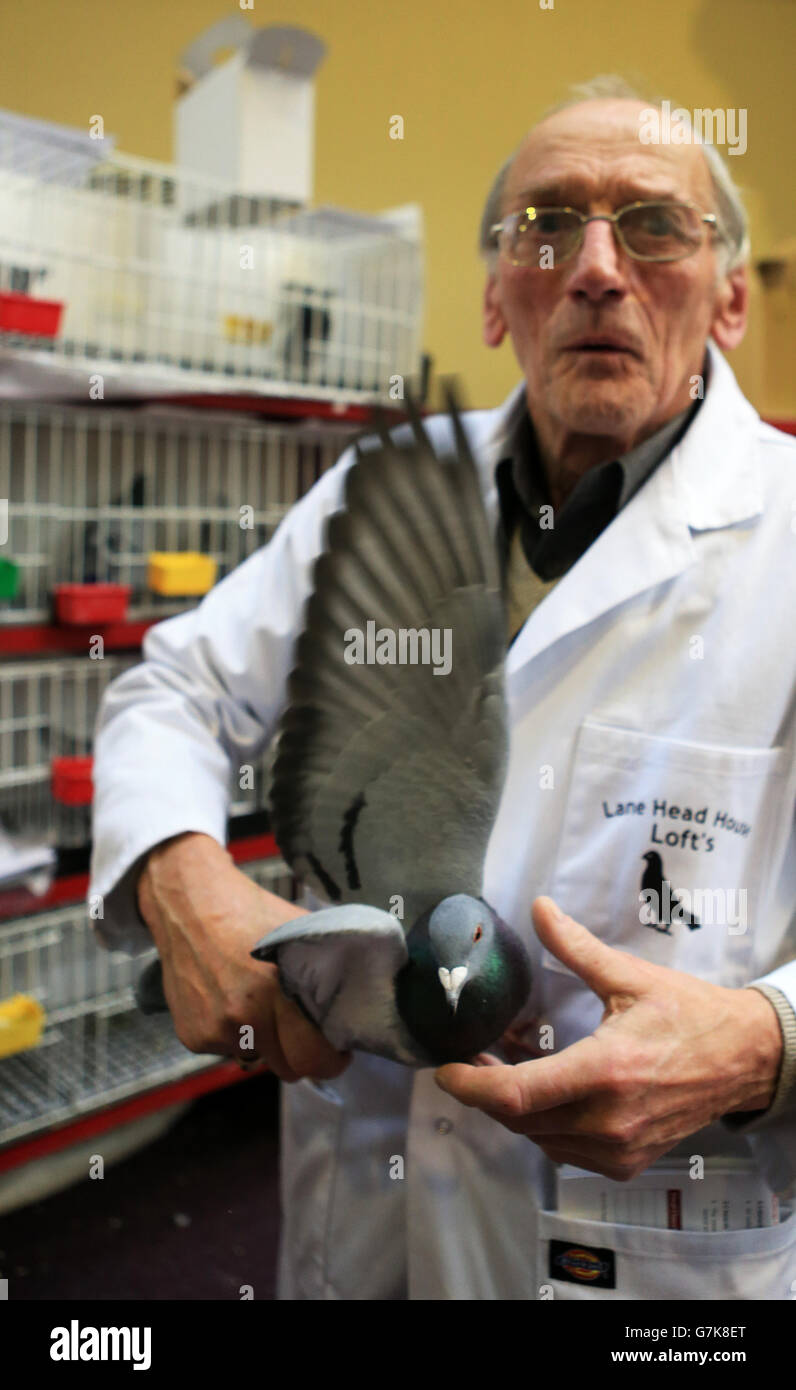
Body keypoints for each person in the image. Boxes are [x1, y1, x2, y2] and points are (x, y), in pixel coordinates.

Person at [89, 76, 796, 1300]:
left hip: (646, 1260)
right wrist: (180, 878)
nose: (591, 268)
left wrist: (767, 1043)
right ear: (490, 295)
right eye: (543, 224)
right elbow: (173, 683)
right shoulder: (381, 489)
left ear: (731, 295)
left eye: (652, 224)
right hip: (359, 1217)